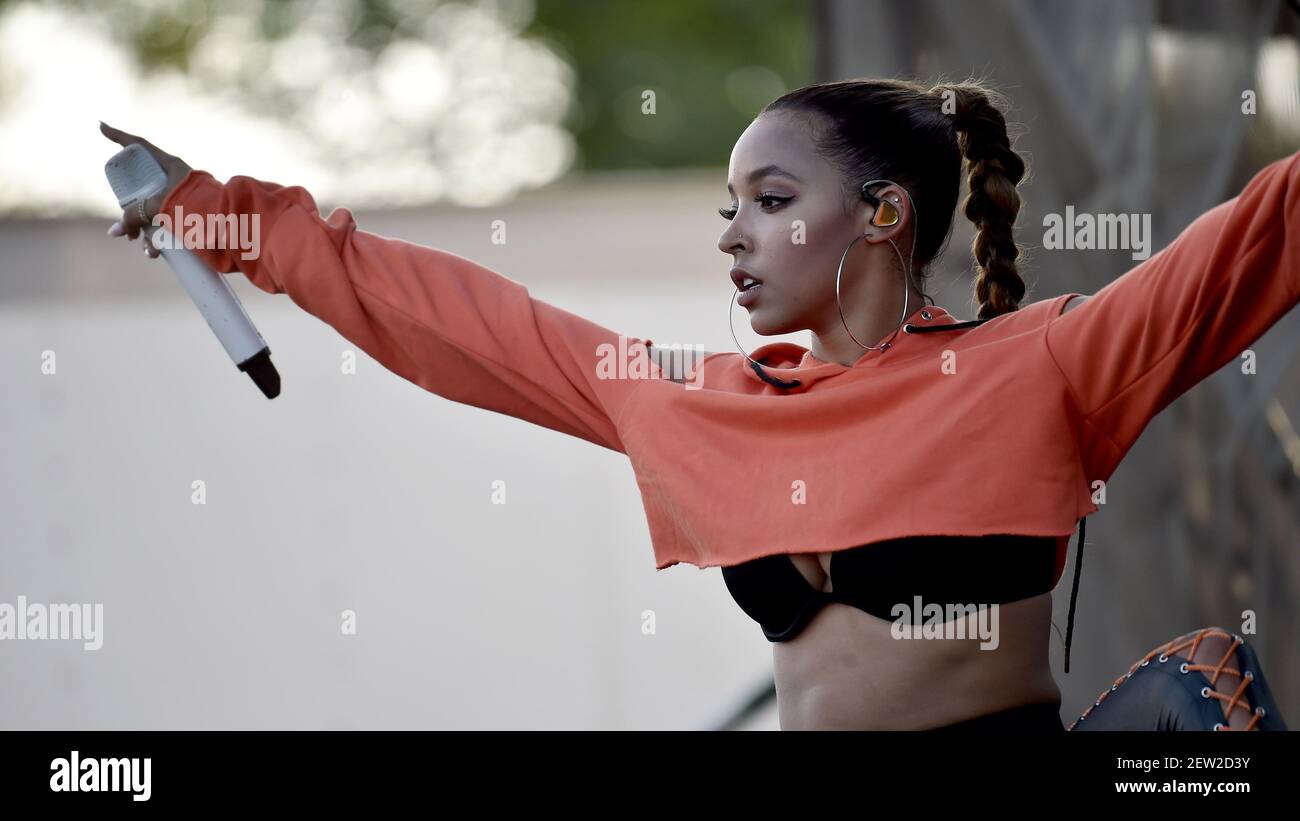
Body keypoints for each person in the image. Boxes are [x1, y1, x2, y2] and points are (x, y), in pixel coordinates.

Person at [98, 74, 1298, 731]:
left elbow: (1262, 234)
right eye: (724, 204)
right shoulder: (697, 404)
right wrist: (222, 215)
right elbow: (449, 321)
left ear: (881, 215)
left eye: (768, 198)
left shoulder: (1043, 365)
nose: (731, 233)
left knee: (1197, 721)